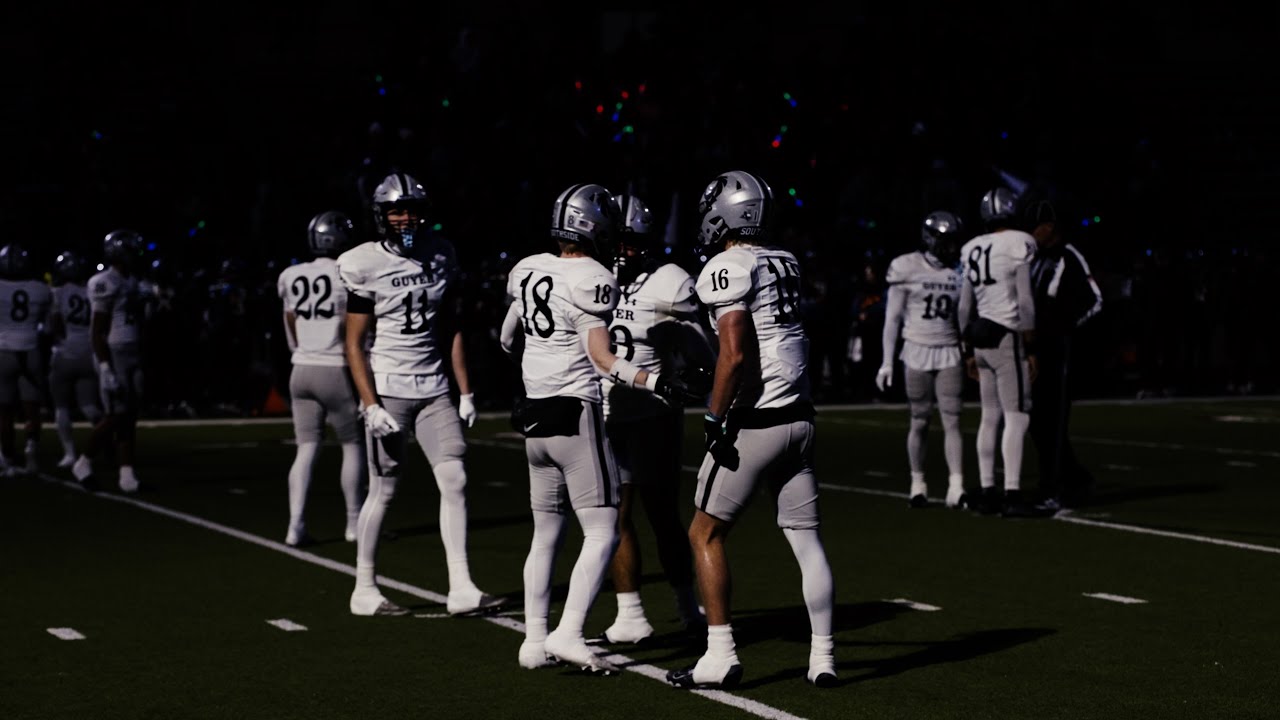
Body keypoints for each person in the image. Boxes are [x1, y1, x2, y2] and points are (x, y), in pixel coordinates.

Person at [500, 183, 703, 672]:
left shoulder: (528, 268)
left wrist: (539, 366)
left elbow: (508, 338)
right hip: (580, 411)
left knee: (546, 533)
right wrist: (656, 381)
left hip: (537, 414)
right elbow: (601, 358)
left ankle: (533, 642)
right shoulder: (594, 277)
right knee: (604, 528)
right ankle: (569, 632)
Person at [668, 170, 836, 690]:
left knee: (704, 533)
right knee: (807, 541)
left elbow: (736, 353)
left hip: (757, 420)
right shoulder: (784, 259)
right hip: (800, 417)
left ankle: (720, 654)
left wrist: (715, 415)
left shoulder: (728, 265)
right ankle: (824, 657)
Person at [336, 172, 500, 617]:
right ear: (380, 215)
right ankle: (364, 588)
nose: (405, 219)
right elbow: (353, 343)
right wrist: (370, 404)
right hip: (389, 388)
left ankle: (461, 587)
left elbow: (451, 327)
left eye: (411, 210)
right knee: (384, 490)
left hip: (434, 388)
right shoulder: (363, 262)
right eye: (396, 211)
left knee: (455, 479)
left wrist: (465, 390)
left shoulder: (440, 253)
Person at [600, 193, 713, 644]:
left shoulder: (669, 281)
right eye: (616, 240)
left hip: (653, 413)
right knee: (614, 515)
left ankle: (687, 607)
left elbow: (701, 351)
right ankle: (630, 614)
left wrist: (693, 375)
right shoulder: (588, 276)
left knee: (662, 514)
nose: (622, 250)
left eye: (631, 241)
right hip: (606, 410)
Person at [276, 211, 367, 547]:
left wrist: (299, 349)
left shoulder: (290, 274)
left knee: (306, 447)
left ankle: (295, 525)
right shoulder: (346, 272)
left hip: (301, 367)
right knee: (352, 444)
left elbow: (290, 319)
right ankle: (353, 523)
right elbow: (351, 325)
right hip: (334, 367)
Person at [957, 188, 1042, 517]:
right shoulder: (1019, 242)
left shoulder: (971, 247)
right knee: (1017, 415)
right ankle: (1012, 493)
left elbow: (964, 306)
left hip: (979, 338)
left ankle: (988, 489)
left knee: (989, 415)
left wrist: (966, 348)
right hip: (1007, 335)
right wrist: (1031, 345)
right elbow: (1025, 301)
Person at [876, 210, 968, 508]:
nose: (951, 246)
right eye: (946, 240)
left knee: (953, 419)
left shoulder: (961, 270)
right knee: (919, 419)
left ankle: (957, 486)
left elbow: (964, 317)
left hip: (949, 348)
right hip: (916, 348)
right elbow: (892, 318)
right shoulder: (907, 266)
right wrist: (887, 361)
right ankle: (918, 483)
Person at [1026, 199, 1103, 509]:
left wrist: (1065, 329)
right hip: (1036, 349)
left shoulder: (1070, 256)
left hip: (1059, 350)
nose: (1032, 232)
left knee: (1053, 421)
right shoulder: (1034, 259)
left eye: (1036, 226)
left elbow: (1095, 300)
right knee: (1036, 421)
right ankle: (1076, 479)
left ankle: (1052, 488)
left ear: (1050, 227)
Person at [71, 229, 149, 493]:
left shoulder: (132, 281)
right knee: (116, 414)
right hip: (114, 353)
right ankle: (83, 462)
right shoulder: (104, 281)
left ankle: (127, 475)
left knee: (130, 416)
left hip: (133, 351)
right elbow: (97, 331)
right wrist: (105, 367)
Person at [46, 249, 103, 468]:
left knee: (61, 406)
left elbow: (55, 325)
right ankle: (106, 439)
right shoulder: (92, 289)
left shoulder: (58, 292)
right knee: (89, 406)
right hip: (89, 352)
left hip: (65, 352)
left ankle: (69, 453)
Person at [0, 243, 52, 476]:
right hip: (30, 350)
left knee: (5, 412)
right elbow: (47, 328)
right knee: (32, 408)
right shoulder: (41, 289)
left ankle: (8, 459)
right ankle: (31, 452)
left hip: (4, 351)